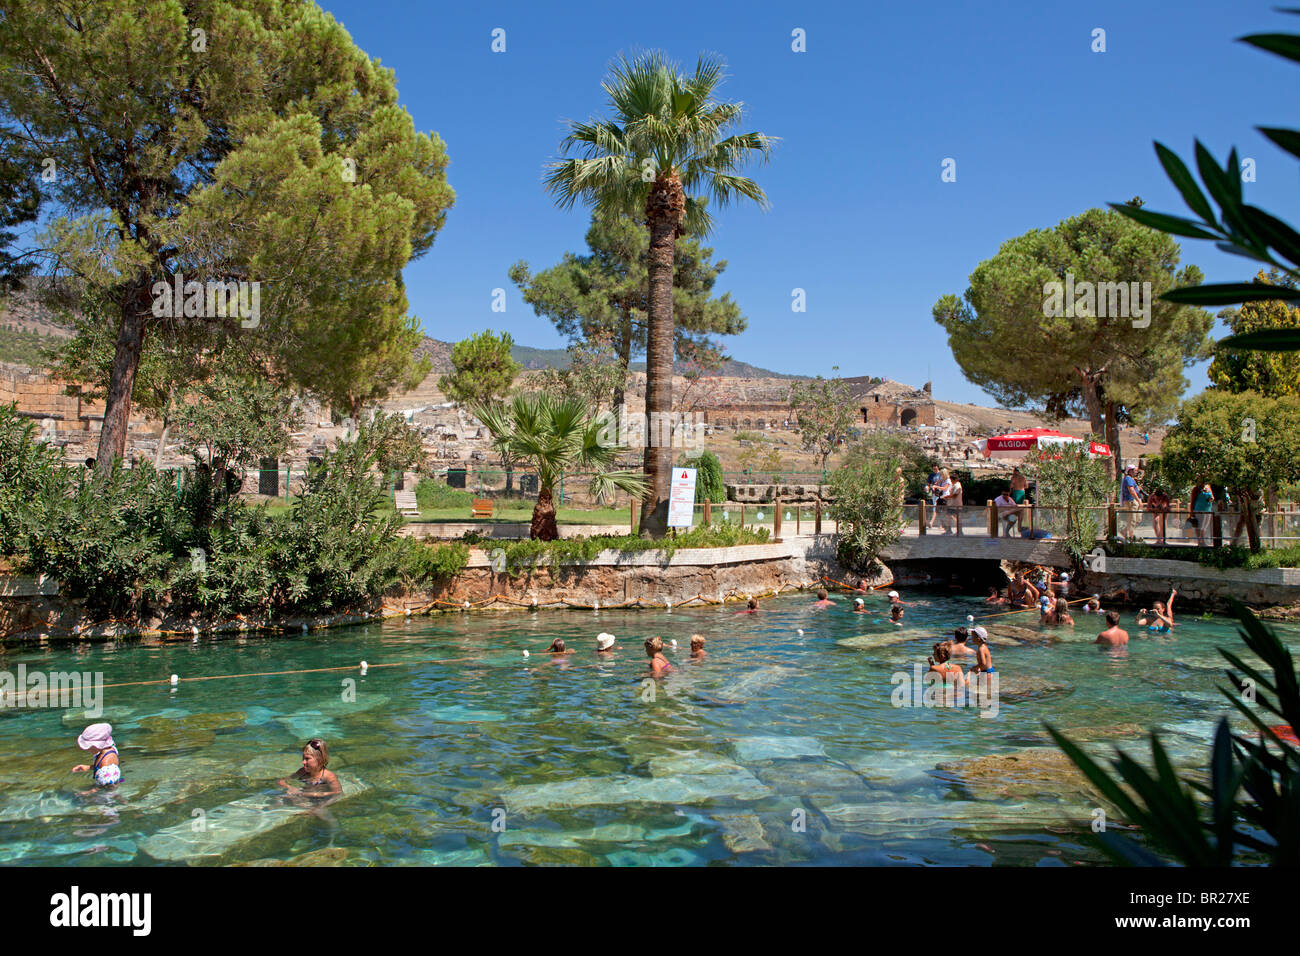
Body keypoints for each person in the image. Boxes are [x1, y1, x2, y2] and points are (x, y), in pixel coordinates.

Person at [278, 738, 342, 798]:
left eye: (307, 758)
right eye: (303, 757)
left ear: (320, 759)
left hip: (320, 800)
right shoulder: (302, 772)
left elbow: (338, 793)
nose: (303, 762)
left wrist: (303, 794)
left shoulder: (329, 776)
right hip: (304, 797)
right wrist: (290, 787)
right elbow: (281, 781)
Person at [72, 723, 121, 787]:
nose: (88, 750)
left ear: (97, 745)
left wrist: (88, 793)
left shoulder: (105, 762)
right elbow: (102, 768)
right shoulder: (109, 750)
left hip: (107, 793)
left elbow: (108, 786)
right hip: (105, 784)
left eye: (89, 747)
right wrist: (88, 767)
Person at [1120, 466, 1145, 541]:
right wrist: (1138, 500)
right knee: (1132, 518)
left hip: (1135, 500)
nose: (1136, 472)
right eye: (1135, 470)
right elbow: (1131, 490)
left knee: (1137, 518)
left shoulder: (1131, 479)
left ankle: (1124, 531)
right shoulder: (1128, 478)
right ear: (1130, 471)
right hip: (1131, 500)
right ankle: (1131, 536)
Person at [1189, 479, 1215, 546]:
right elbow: (1192, 501)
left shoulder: (1208, 488)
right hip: (1199, 510)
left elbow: (1212, 498)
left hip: (1207, 510)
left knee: (1205, 526)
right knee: (1199, 526)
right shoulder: (1196, 489)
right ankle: (1199, 541)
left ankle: (1202, 540)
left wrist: (1210, 499)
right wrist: (1192, 512)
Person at [941, 471, 964, 535]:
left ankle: (960, 531)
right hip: (951, 504)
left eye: (951, 480)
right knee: (948, 516)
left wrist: (946, 497)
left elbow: (955, 495)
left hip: (956, 505)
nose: (951, 481)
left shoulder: (957, 485)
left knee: (958, 518)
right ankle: (949, 529)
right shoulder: (954, 485)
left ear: (955, 479)